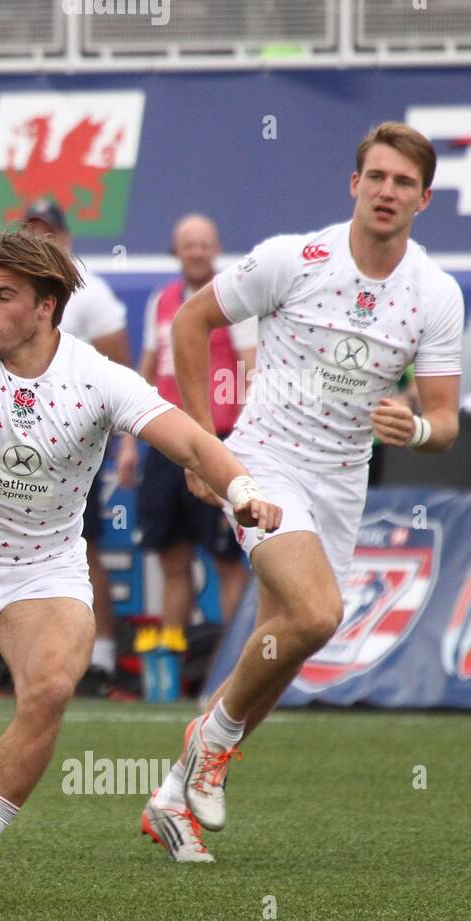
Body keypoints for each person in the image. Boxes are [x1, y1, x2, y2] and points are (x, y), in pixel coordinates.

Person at [0, 228, 281, 901]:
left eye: (2, 296)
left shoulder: (94, 376)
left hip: (46, 569)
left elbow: (185, 435)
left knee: (48, 689)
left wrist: (241, 489)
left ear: (45, 307)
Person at [144, 122, 463, 861]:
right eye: (376, 177)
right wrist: (205, 447)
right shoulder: (296, 257)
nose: (387, 192)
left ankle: (172, 795)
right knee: (320, 614)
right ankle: (211, 744)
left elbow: (444, 421)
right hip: (264, 462)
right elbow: (193, 323)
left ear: (425, 198)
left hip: (342, 482)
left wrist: (413, 428)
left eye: (403, 183)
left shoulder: (436, 295)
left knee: (282, 647)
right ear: (354, 184)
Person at [23, 199, 132, 692]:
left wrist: (109, 440)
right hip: (20, 439)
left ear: (65, 239)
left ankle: (103, 655)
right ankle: (32, 663)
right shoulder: (16, 292)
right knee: (23, 550)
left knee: (79, 549)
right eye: (33, 232)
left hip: (72, 445)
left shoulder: (90, 292)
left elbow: (121, 375)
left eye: (48, 233)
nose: (42, 241)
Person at [135, 214, 258, 642]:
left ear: (216, 248)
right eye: (190, 245)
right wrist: (132, 444)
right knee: (172, 557)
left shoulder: (231, 299)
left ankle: (231, 666)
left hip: (217, 438)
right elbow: (148, 368)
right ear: (177, 250)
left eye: (205, 244)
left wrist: (246, 436)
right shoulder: (162, 300)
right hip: (167, 441)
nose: (197, 252)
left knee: (226, 557)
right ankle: (173, 666)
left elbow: (250, 368)